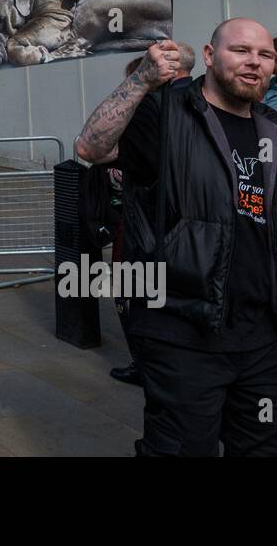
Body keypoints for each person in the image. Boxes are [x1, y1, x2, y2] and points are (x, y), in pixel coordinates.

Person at [76, 22, 277, 455]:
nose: (254, 62)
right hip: (183, 330)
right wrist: (142, 80)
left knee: (270, 448)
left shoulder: (276, 129)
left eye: (265, 54)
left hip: (265, 334)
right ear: (210, 56)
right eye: (240, 50)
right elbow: (91, 148)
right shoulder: (166, 113)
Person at [104, 46, 195, 387]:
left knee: (134, 292)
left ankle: (148, 365)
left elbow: (95, 149)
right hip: (195, 227)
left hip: (148, 220)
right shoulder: (208, 103)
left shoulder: (146, 107)